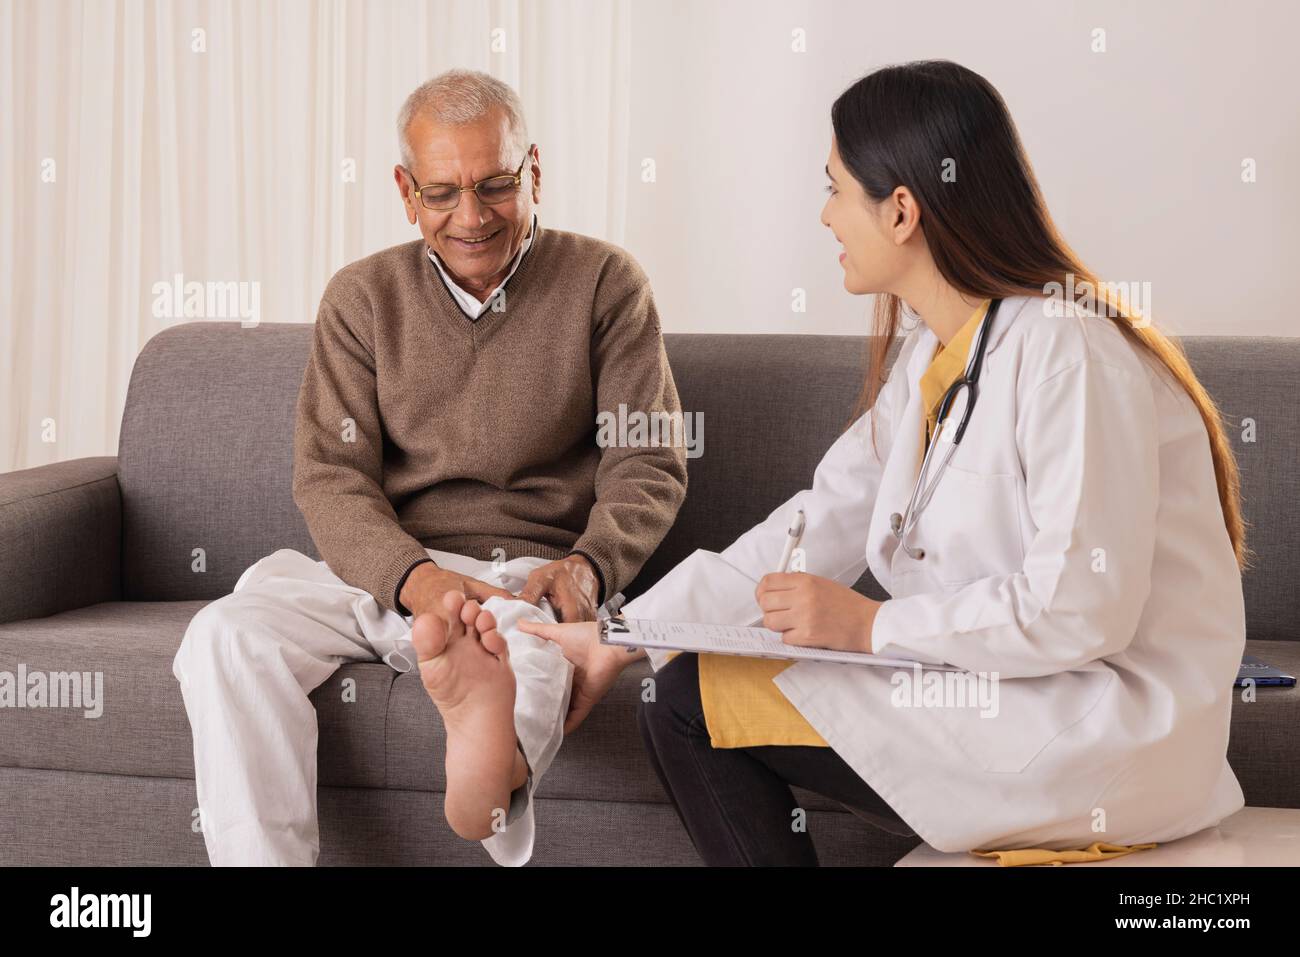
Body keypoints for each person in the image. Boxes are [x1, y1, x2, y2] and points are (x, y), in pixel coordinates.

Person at [517, 60, 1249, 866]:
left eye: (834, 189)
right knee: (681, 688)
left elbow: (1082, 606)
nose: (826, 216)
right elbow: (814, 522)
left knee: (688, 702)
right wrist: (624, 634)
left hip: (1108, 726)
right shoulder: (935, 356)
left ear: (901, 209)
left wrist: (872, 626)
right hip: (1016, 693)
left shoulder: (1066, 350)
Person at [172, 69, 687, 866]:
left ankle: (485, 771)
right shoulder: (361, 298)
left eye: (496, 185)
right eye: (441, 193)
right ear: (406, 193)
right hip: (385, 577)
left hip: (524, 577)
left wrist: (588, 568)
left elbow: (647, 459)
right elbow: (330, 477)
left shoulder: (606, 284)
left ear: (535, 172)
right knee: (223, 636)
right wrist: (417, 582)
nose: (471, 217)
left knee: (536, 662)